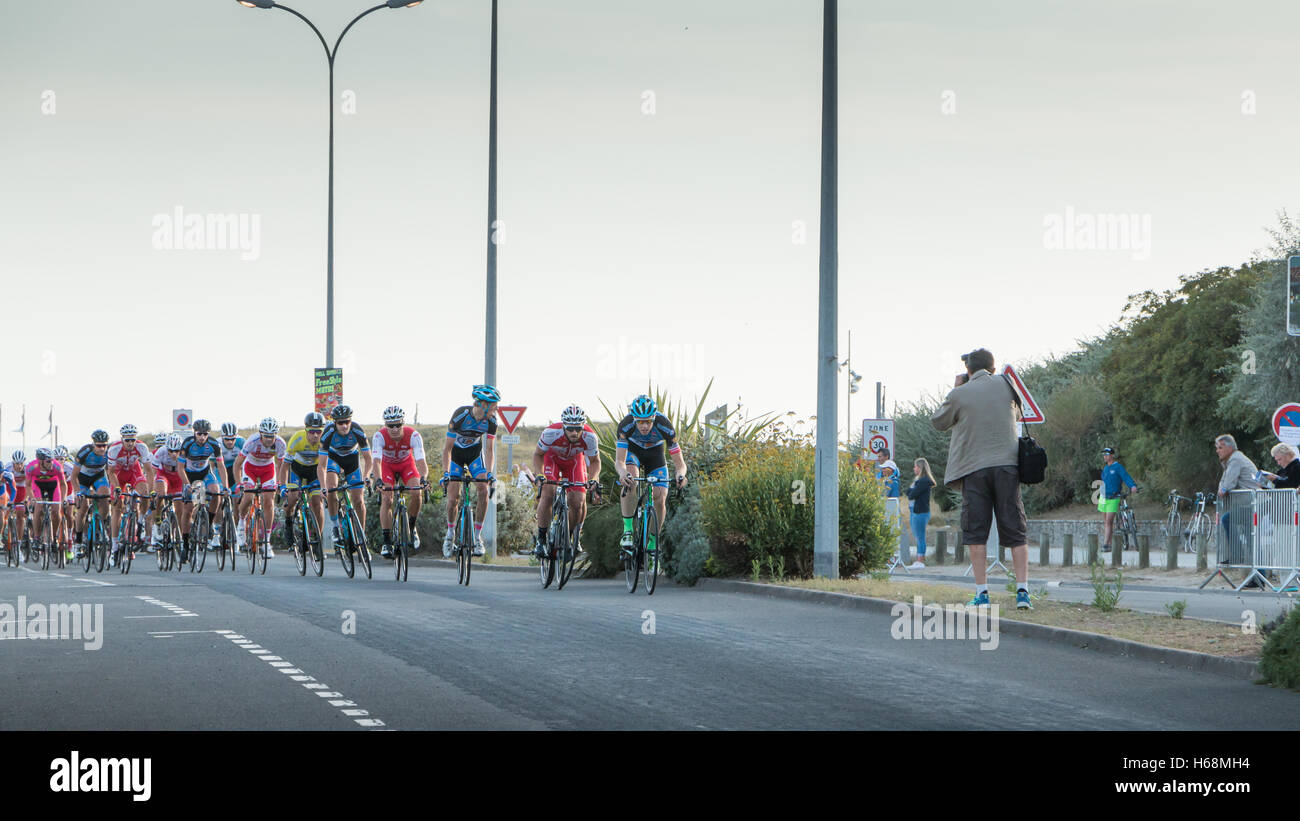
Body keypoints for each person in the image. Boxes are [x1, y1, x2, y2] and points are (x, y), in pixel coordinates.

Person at [930, 348, 1032, 610]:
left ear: (968, 370)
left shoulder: (959, 393)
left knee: (976, 532)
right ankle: (1023, 592)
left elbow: (939, 422)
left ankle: (982, 594)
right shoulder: (1007, 384)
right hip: (1007, 466)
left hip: (974, 469)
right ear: (993, 368)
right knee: (1016, 530)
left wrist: (956, 389)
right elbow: (1016, 415)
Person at [531, 404, 602, 558]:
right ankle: (541, 539)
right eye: (570, 429)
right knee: (548, 494)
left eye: (578, 428)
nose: (574, 432)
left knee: (578, 501)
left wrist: (593, 479)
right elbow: (537, 455)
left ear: (583, 427)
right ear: (564, 426)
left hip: (574, 462)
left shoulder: (590, 437)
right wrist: (540, 474)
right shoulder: (550, 433)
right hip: (552, 459)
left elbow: (595, 461)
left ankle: (568, 538)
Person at [440, 385, 500, 557]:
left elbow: (489, 450)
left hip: (474, 455)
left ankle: (477, 536)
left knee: (484, 490)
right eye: (494, 405)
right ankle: (450, 534)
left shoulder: (492, 421)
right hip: (456, 455)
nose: (496, 409)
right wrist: (446, 473)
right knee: (453, 498)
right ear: (483, 404)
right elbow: (447, 449)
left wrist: (489, 473)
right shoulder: (460, 415)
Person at [369, 405, 429, 558]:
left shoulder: (413, 435)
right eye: (390, 426)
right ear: (385, 425)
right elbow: (376, 462)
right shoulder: (379, 436)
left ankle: (411, 528)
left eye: (398, 424)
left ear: (403, 423)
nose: (395, 429)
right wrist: (378, 480)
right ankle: (387, 542)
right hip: (387, 466)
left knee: (417, 493)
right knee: (387, 499)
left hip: (406, 465)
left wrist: (424, 478)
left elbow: (421, 461)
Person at [1215, 434, 1262, 579]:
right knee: (1251, 539)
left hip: (1254, 504)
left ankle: (1237, 555)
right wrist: (1222, 489)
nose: (1217, 451)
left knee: (1228, 520)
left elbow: (1228, 484)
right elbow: (1223, 482)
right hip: (1251, 504)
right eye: (1217, 448)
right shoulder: (1231, 460)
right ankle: (1257, 576)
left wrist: (1222, 490)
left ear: (1230, 448)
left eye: (1220, 447)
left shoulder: (1235, 460)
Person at [1098, 447, 1139, 553]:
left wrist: (1132, 486)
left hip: (1114, 497)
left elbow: (1126, 477)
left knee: (1109, 520)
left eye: (1107, 454)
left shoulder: (1118, 467)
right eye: (1104, 455)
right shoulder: (1105, 468)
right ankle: (1109, 543)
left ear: (1112, 455)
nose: (1105, 456)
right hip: (1104, 497)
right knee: (1106, 522)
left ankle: (1106, 544)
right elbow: (1103, 482)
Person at [905, 458, 936, 569]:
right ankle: (919, 560)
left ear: (920, 467)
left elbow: (911, 495)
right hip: (914, 511)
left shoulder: (923, 481)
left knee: (920, 537)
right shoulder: (918, 481)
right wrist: (912, 487)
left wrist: (912, 488)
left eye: (915, 466)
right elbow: (908, 492)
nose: (914, 468)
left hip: (920, 512)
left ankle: (920, 561)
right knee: (918, 536)